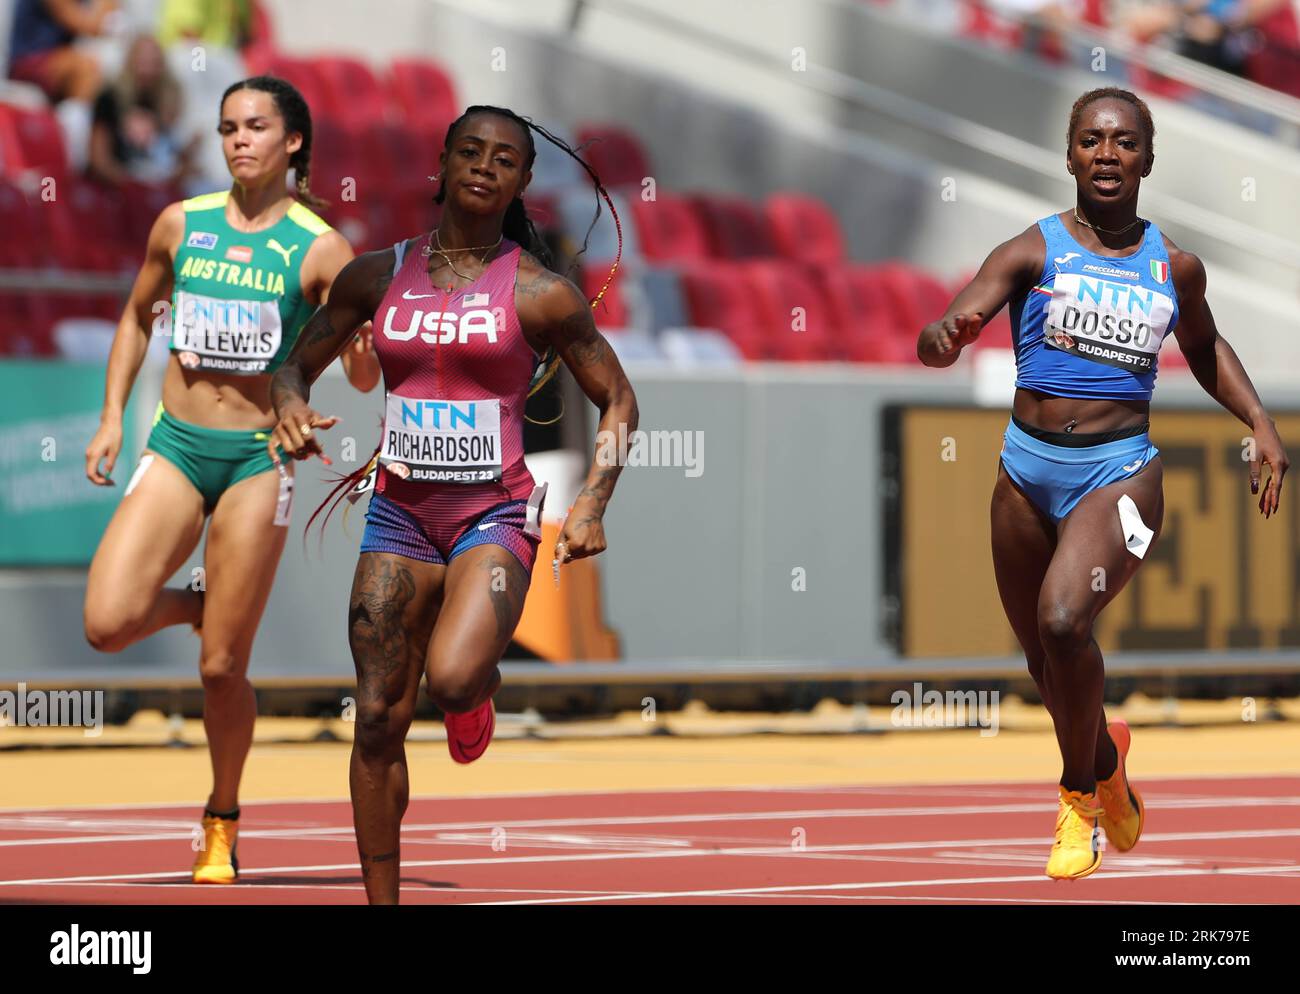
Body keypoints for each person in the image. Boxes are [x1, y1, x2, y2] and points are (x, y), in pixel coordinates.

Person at [267, 104, 638, 905]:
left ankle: (474, 706)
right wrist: (289, 404)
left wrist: (593, 504)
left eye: (504, 159)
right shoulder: (374, 274)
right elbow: (294, 364)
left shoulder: (542, 294)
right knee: (374, 719)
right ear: (441, 163)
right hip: (397, 518)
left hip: (491, 517)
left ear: (522, 182)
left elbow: (619, 403)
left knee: (457, 678)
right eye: (469, 151)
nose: (483, 166)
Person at [917, 86, 1287, 880]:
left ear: (1148, 160)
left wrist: (1259, 421)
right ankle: (1110, 763)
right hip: (1024, 474)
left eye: (1124, 142)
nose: (1107, 154)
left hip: (1120, 476)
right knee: (1044, 664)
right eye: (1091, 140)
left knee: (1061, 620)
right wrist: (944, 336)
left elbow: (1208, 347)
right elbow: (953, 320)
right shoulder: (1032, 249)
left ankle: (1077, 797)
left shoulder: (1174, 266)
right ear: (1069, 155)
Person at [82, 75, 380, 885]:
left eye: (255, 127)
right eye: (226, 127)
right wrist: (112, 416)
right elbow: (137, 315)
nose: (238, 139)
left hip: (258, 458)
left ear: (292, 144)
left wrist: (357, 345)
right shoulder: (182, 224)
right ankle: (206, 608)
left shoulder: (320, 247)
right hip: (177, 444)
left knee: (221, 670)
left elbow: (359, 376)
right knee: (106, 623)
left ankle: (221, 817)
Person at [88, 33, 196, 187]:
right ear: (130, 62)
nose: (148, 69)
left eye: (154, 62)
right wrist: (134, 185)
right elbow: (99, 160)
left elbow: (177, 153)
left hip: (159, 181)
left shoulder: (169, 98)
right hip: (118, 186)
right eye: (142, 61)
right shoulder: (110, 98)